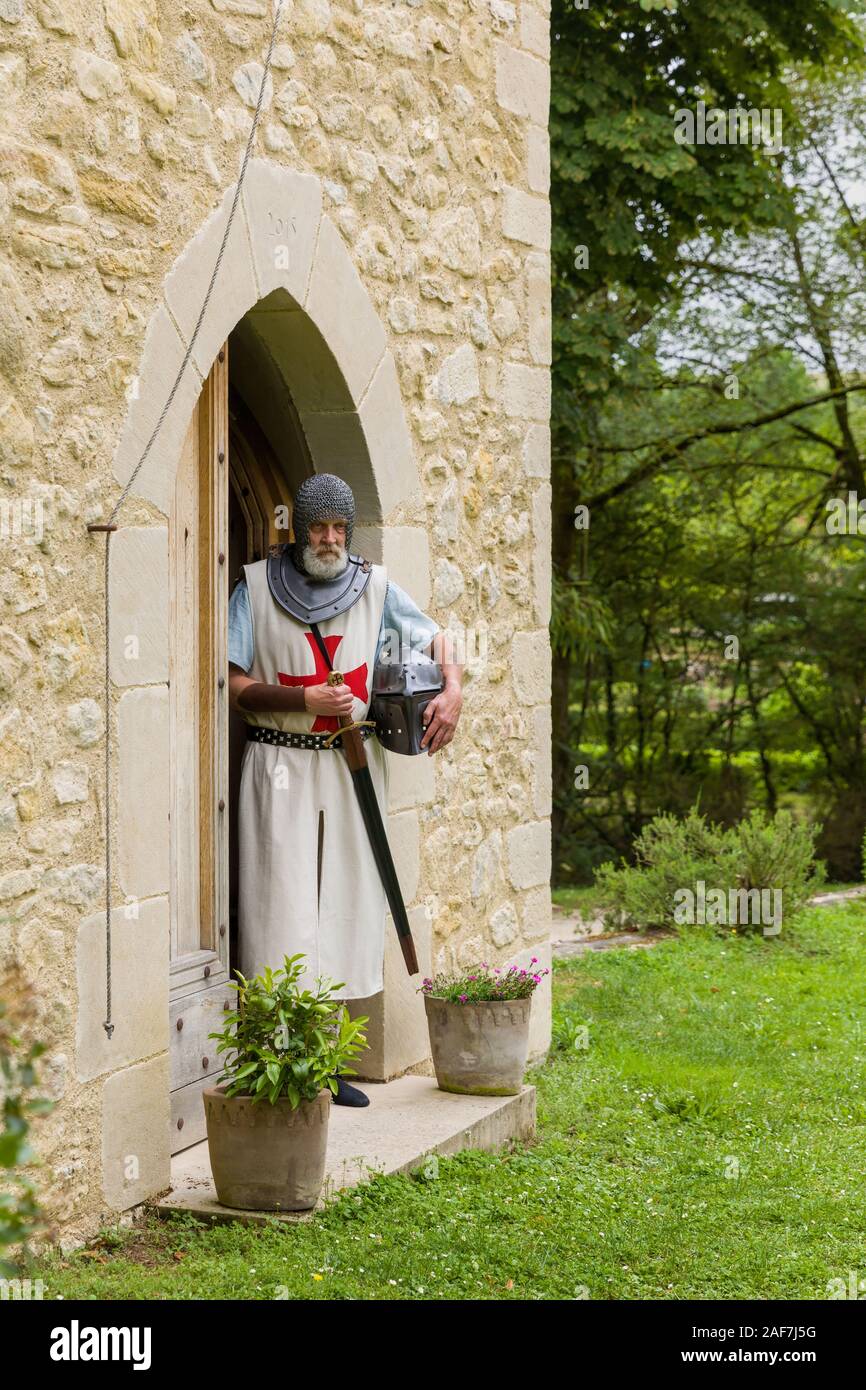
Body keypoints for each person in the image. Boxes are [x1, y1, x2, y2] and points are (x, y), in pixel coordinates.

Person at [227, 473, 464, 1106]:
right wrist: (304, 698)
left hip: (351, 763)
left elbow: (440, 636)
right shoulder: (253, 587)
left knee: (342, 905)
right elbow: (234, 684)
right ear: (297, 529)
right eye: (317, 528)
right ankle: (281, 1056)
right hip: (280, 766)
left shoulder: (376, 587)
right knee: (280, 905)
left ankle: (327, 1062)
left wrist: (454, 687)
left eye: (338, 528)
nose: (328, 539)